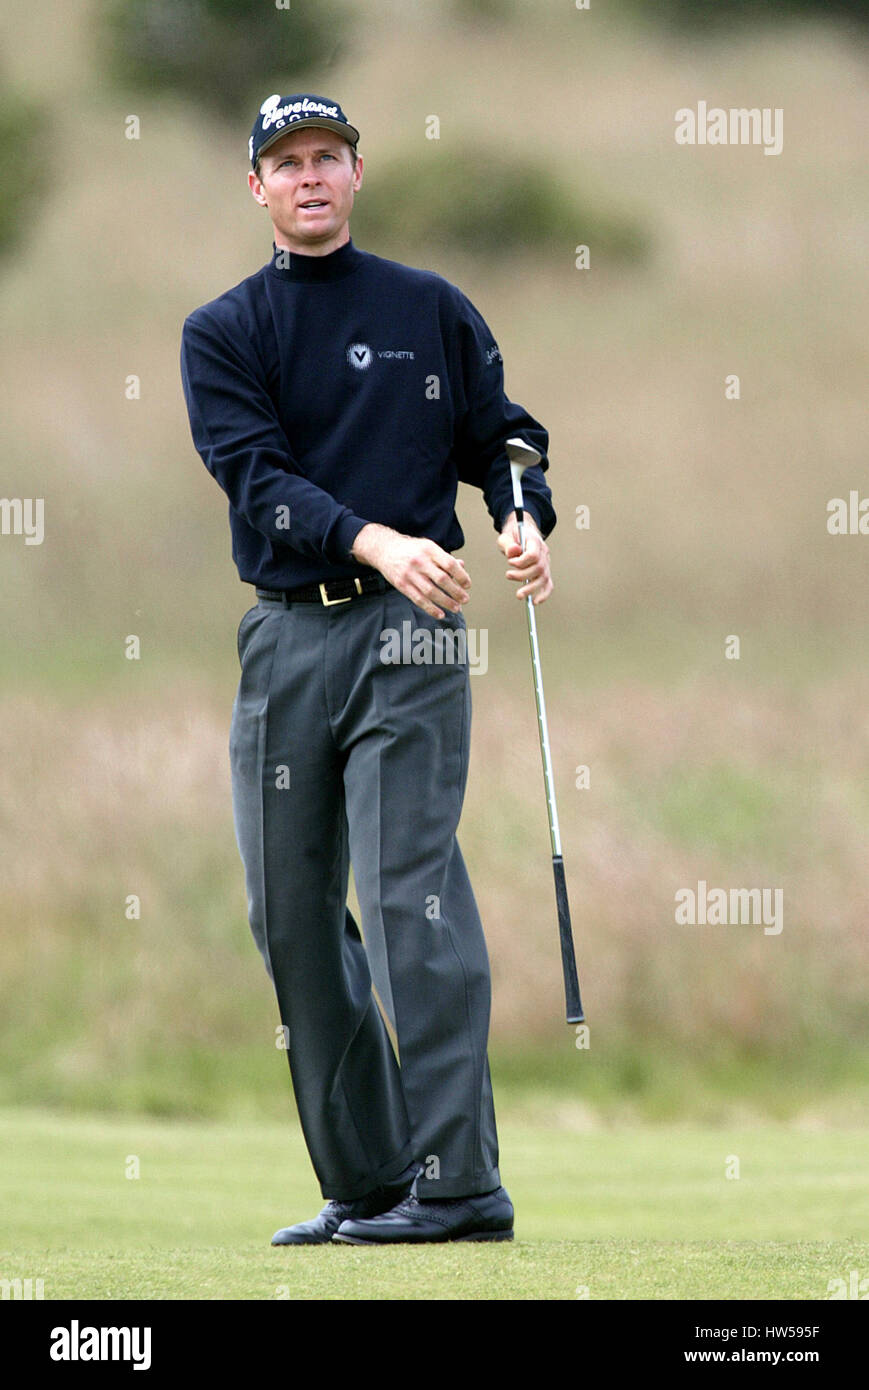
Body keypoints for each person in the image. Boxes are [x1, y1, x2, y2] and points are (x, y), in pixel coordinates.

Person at [180, 93, 557, 1245]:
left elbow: (504, 433)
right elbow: (257, 480)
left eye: (327, 158)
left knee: (411, 897)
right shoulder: (223, 331)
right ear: (256, 186)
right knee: (288, 915)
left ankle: (456, 1188)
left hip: (415, 633)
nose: (308, 177)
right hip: (288, 633)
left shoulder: (428, 308)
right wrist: (373, 538)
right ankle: (369, 1180)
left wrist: (520, 512)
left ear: (356, 174)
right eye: (285, 162)